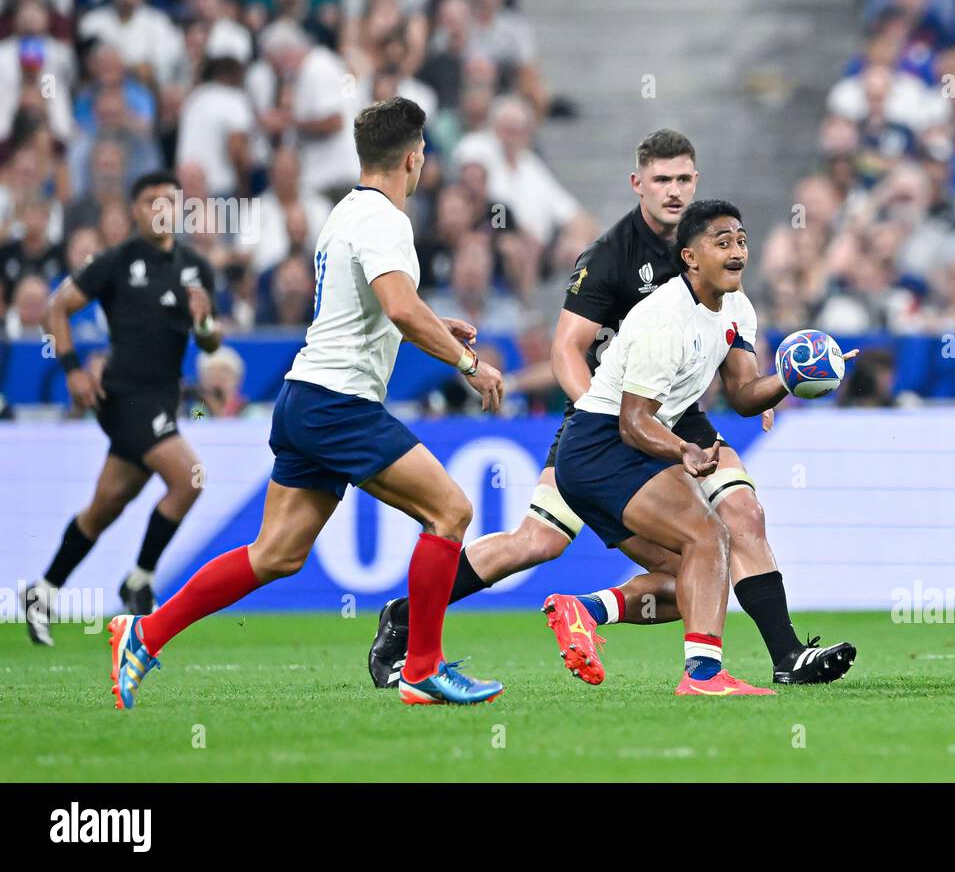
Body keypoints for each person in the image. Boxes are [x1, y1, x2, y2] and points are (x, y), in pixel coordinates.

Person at [369, 130, 856, 690]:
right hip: (615, 420)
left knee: (736, 522)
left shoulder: (717, 254)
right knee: (541, 542)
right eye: (661, 180)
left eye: (683, 179)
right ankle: (408, 616)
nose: (673, 191)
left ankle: (786, 654)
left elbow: (735, 361)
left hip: (675, 414)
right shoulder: (609, 258)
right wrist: (599, 418)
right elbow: (565, 350)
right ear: (638, 185)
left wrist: (779, 383)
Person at [104, 97, 506, 710]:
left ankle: (146, 631)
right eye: (424, 153)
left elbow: (375, 308)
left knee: (277, 554)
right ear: (414, 156)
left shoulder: (343, 212)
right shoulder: (387, 221)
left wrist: (434, 323)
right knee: (450, 513)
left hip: (304, 398)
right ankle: (422, 667)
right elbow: (397, 306)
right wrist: (469, 365)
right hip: (338, 403)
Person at [555, 199, 798, 695]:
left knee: (697, 576)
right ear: (689, 257)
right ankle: (704, 675)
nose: (738, 252)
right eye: (722, 242)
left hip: (615, 447)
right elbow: (634, 421)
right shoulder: (663, 319)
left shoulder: (736, 306)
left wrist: (792, 379)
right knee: (709, 537)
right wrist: (683, 451)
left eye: (742, 240)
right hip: (600, 446)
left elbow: (745, 394)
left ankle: (585, 610)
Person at [24, 172, 220, 645]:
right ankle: (139, 581)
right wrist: (71, 368)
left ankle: (43, 592)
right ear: (135, 210)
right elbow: (57, 308)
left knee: (105, 506)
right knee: (190, 478)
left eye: (167, 201)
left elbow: (211, 345)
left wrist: (205, 320)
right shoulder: (114, 262)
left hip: (163, 400)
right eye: (150, 200)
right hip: (123, 396)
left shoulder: (196, 267)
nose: (159, 208)